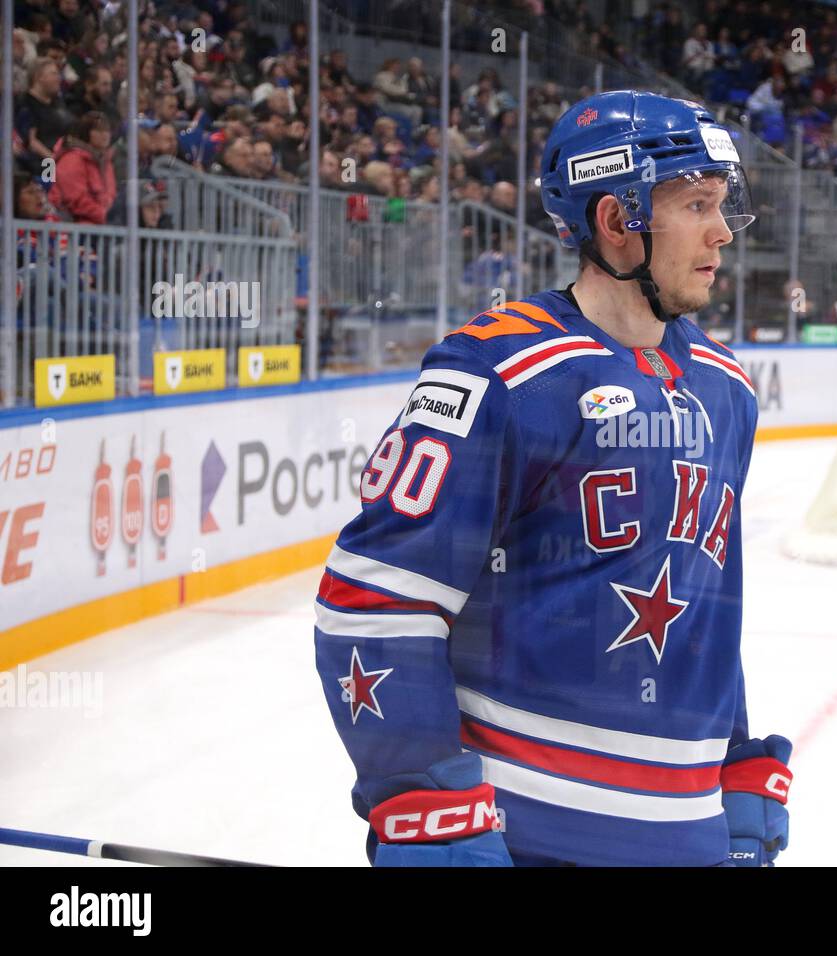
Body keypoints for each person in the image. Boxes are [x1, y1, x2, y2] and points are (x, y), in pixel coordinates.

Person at [313, 91, 792, 868]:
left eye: (722, 204)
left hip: (692, 835)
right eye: (698, 205)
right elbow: (376, 601)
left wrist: (732, 769)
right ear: (617, 221)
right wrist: (423, 799)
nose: (721, 231)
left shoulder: (724, 386)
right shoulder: (502, 373)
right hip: (530, 836)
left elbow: (700, 598)